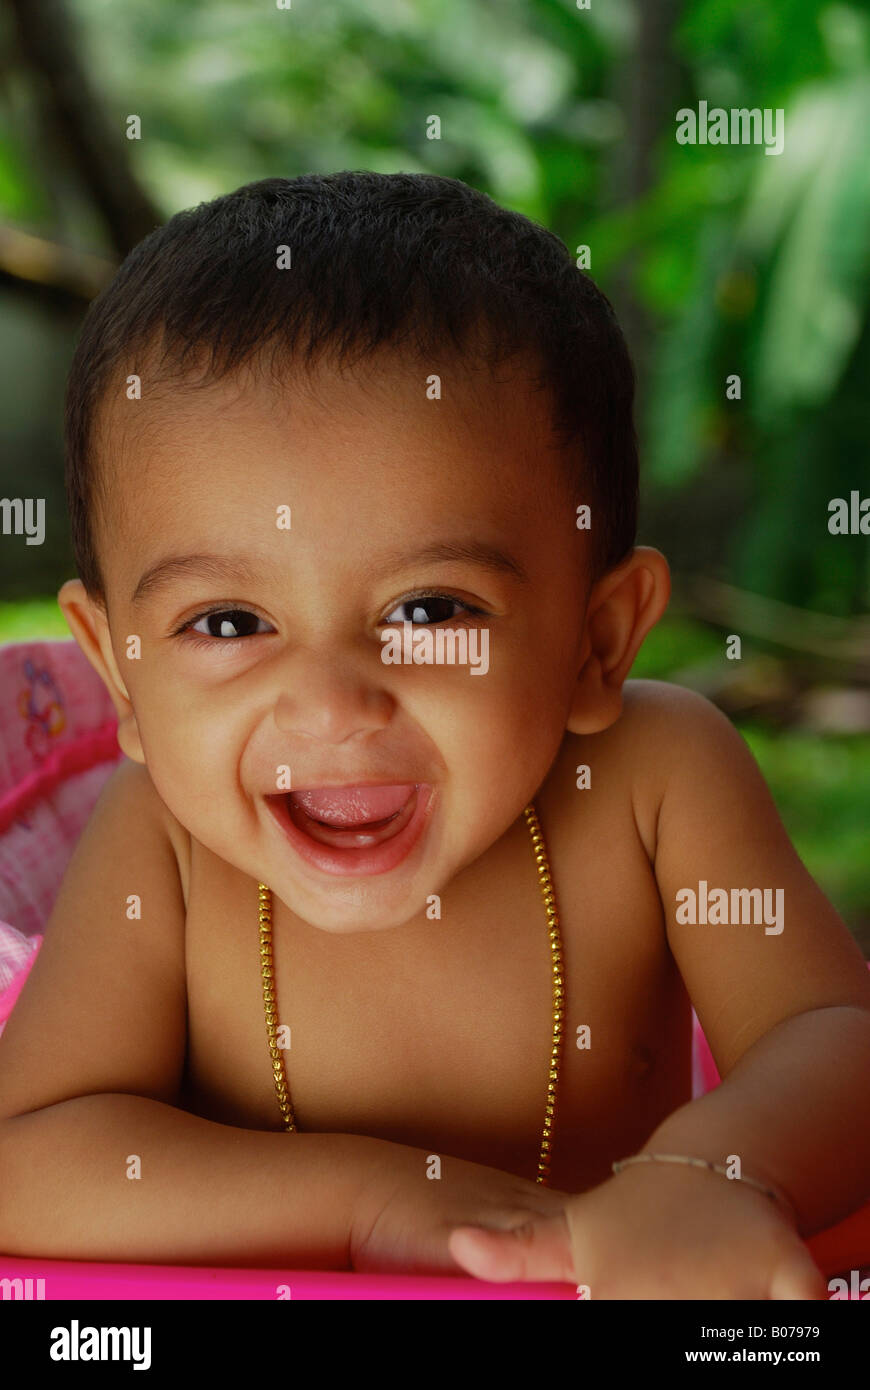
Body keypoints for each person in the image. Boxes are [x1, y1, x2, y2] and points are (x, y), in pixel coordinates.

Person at [1, 173, 867, 1298]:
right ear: (118, 666)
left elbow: (835, 1034)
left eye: (429, 610)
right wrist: (379, 1200)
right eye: (227, 621)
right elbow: (31, 1154)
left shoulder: (655, 780)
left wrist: (714, 1171)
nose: (330, 706)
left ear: (597, 641)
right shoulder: (166, 841)